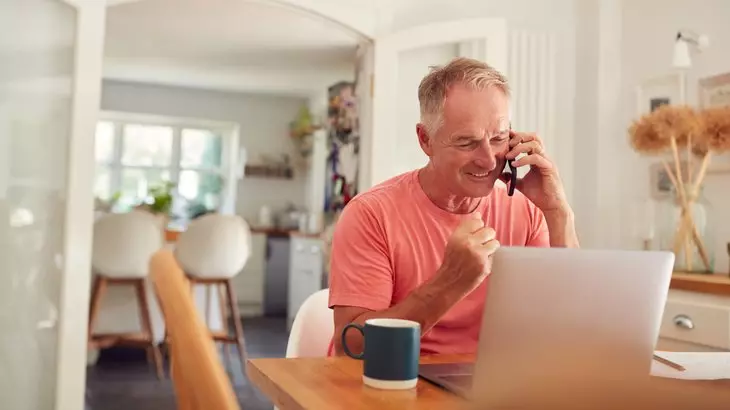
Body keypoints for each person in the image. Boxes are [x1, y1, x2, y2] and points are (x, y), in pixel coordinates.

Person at [327, 57, 579, 356]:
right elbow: (352, 348)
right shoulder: (370, 215)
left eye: (499, 138)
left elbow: (568, 325)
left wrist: (557, 212)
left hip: (488, 386)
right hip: (392, 382)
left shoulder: (527, 210)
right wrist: (449, 283)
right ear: (425, 140)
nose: (488, 160)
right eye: (467, 143)